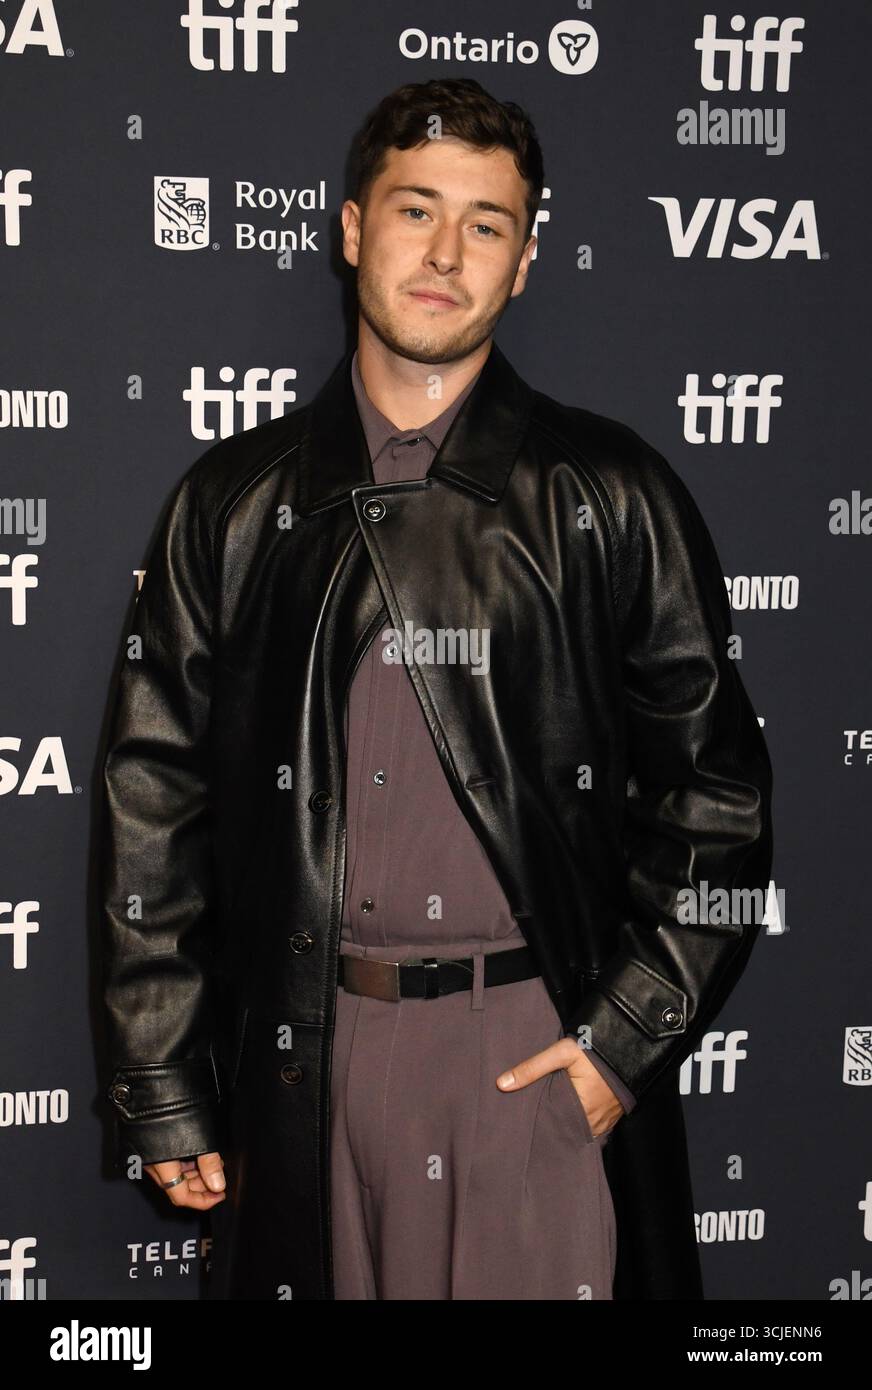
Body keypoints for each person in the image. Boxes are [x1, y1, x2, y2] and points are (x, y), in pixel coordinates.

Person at [98, 77, 773, 1301]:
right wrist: (164, 1076)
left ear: (521, 264)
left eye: (487, 223)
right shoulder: (232, 504)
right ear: (351, 228)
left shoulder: (610, 492)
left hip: (528, 1064)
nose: (445, 253)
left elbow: (716, 800)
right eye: (416, 210)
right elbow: (155, 800)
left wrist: (614, 1044)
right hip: (310, 1071)